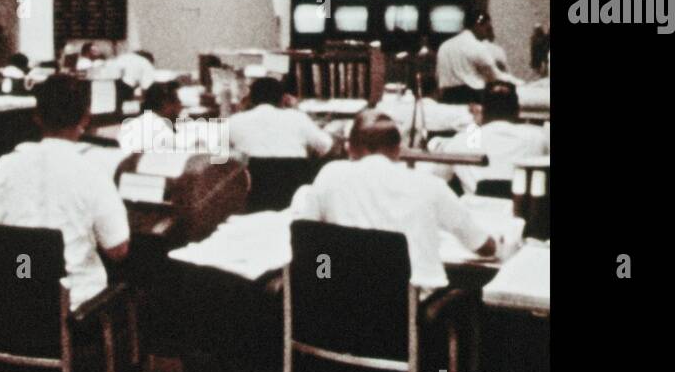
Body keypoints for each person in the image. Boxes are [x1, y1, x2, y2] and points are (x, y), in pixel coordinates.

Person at [0, 75, 150, 372]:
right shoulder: (92, 172)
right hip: (71, 322)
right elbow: (119, 250)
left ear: (36, 117)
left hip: (3, 316)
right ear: (85, 118)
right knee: (133, 296)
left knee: (32, 276)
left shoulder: (6, 165)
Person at [294, 110, 495, 290]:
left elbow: (309, 236)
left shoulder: (329, 175)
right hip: (407, 312)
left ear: (350, 148)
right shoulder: (430, 185)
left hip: (341, 304)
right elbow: (483, 246)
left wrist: (324, 276)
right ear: (398, 149)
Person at [426, 81, 549, 195]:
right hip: (526, 212)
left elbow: (437, 179)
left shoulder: (461, 141)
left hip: (478, 214)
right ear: (517, 111)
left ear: (483, 111)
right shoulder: (539, 137)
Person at [229, 77, 333, 158]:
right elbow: (325, 145)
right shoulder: (297, 117)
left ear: (250, 99)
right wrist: (297, 109)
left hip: (252, 182)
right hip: (294, 181)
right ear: (283, 99)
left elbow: (216, 152)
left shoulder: (234, 120)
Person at [436, 13, 521, 104]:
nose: (486, 34)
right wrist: (520, 83)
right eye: (487, 29)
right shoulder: (477, 46)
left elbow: (438, 75)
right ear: (478, 26)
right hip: (471, 98)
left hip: (446, 97)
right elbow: (495, 76)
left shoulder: (444, 46)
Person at [119, 81, 181, 153]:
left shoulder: (128, 127)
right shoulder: (165, 134)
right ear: (165, 103)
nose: (180, 106)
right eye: (178, 101)